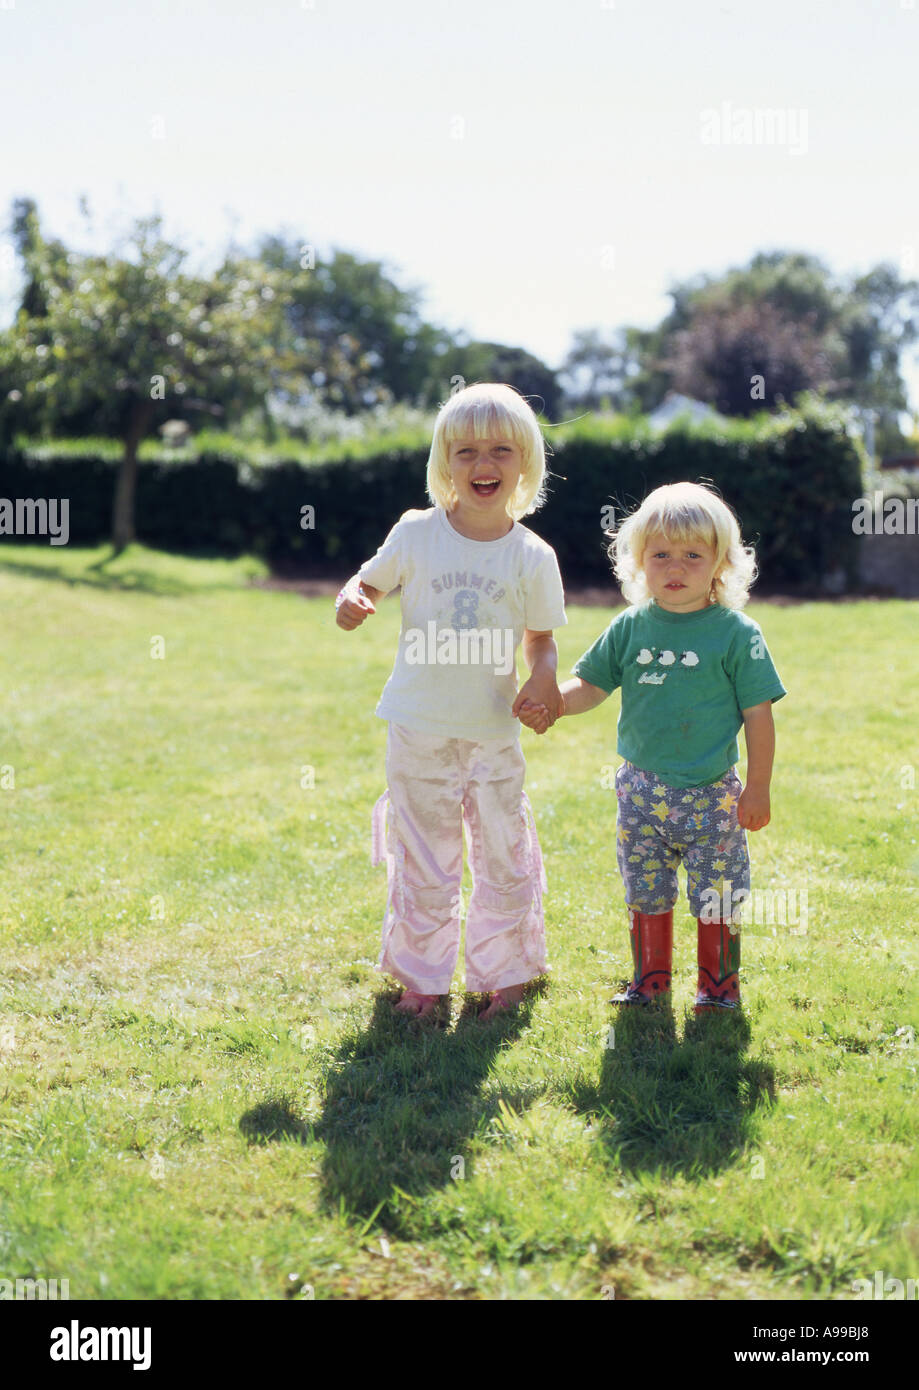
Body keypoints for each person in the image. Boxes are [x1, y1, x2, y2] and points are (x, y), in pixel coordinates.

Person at [335, 383, 566, 1020]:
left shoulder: (532, 555)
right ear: (443, 461)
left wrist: (543, 679)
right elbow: (366, 582)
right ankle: (422, 979)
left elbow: (541, 643)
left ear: (525, 462)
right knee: (424, 855)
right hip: (417, 728)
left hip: (493, 732)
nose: (483, 464)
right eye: (465, 451)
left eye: (500, 450)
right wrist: (352, 600)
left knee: (502, 851)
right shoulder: (416, 533)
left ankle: (508, 972)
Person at [520, 481, 785, 1012]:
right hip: (641, 792)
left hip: (712, 796)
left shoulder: (737, 634)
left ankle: (718, 987)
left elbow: (759, 716)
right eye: (660, 554)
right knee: (644, 887)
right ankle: (650, 981)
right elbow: (592, 685)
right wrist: (553, 704)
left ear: (721, 563)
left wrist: (756, 789)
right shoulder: (631, 627)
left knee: (718, 892)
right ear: (639, 561)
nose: (675, 567)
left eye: (692, 555)